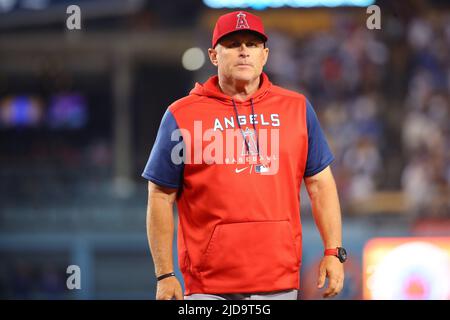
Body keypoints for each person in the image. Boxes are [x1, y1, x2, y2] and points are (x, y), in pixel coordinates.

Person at [142, 10, 346, 300]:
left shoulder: (297, 108)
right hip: (208, 286)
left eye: (252, 44)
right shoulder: (181, 115)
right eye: (233, 43)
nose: (243, 52)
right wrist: (164, 273)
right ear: (214, 55)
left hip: (279, 282)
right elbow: (160, 196)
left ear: (265, 55)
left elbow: (320, 184)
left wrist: (333, 252)